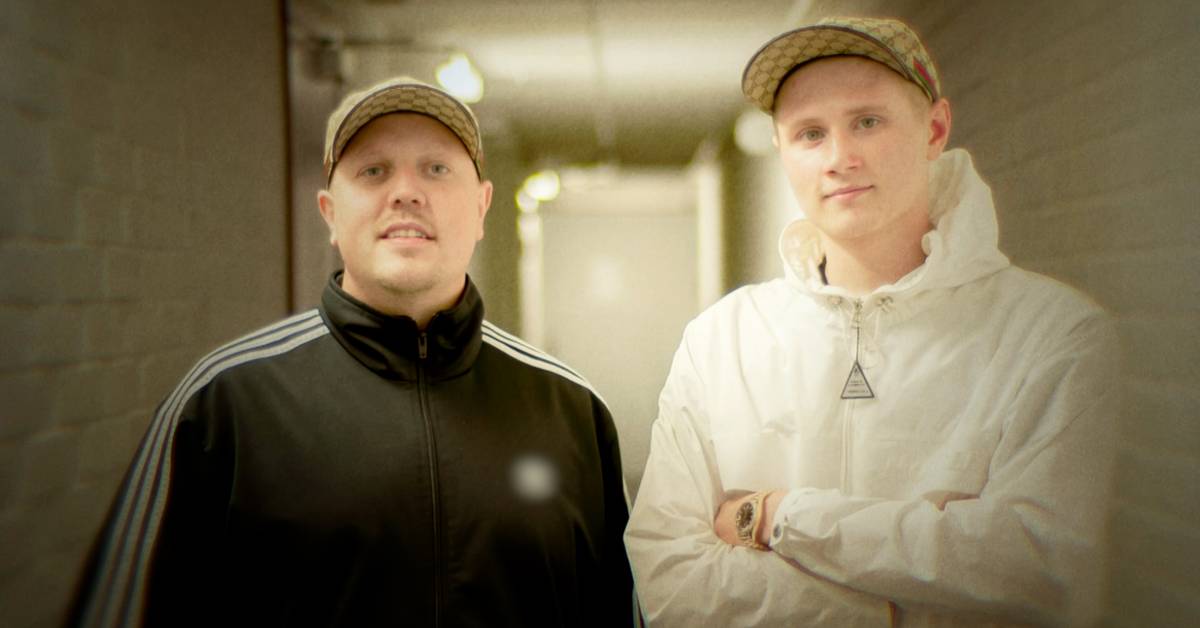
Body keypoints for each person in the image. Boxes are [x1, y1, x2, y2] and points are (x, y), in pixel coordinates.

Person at [66, 76, 635, 627]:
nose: (406, 191)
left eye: (436, 168)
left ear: (482, 207)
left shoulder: (572, 410)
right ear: (330, 214)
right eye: (373, 170)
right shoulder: (223, 404)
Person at [625, 16, 1118, 627]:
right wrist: (896, 611)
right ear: (782, 152)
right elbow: (668, 579)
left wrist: (782, 516)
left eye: (867, 122)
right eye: (810, 133)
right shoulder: (721, 340)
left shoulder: (1052, 334)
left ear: (934, 130)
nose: (840, 158)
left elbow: (1037, 566)